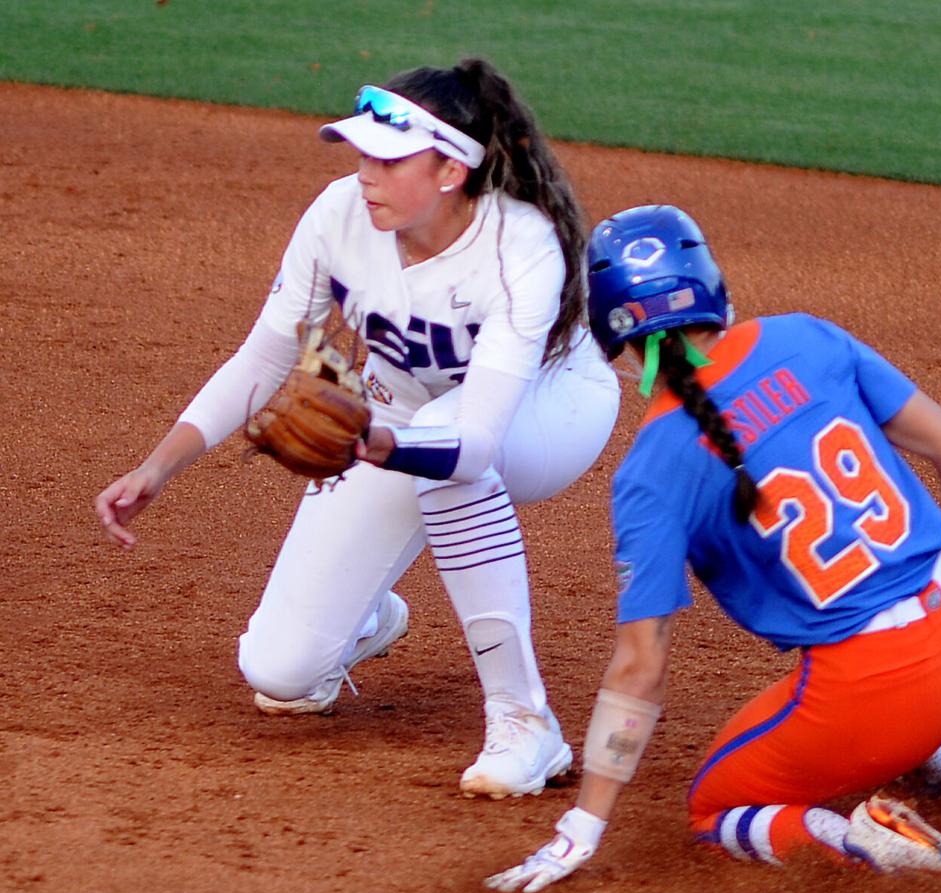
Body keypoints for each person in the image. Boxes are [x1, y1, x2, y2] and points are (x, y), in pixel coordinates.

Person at [94, 59, 620, 800]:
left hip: (546, 415)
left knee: (445, 451)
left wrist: (372, 442)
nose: (365, 172)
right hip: (402, 418)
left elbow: (472, 442)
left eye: (388, 157)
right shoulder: (339, 215)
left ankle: (523, 719)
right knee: (280, 673)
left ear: (449, 169)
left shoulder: (519, 246)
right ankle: (364, 615)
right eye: (361, 152)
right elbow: (266, 354)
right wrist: (159, 465)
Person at [486, 205, 941, 893]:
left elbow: (640, 667)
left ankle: (870, 839)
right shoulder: (807, 337)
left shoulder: (652, 472)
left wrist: (582, 825)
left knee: (715, 808)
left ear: (613, 339)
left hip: (876, 693)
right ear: (714, 288)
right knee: (886, 666)